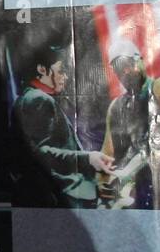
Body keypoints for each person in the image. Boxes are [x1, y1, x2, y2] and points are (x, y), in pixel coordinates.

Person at [10, 40, 112, 208]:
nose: (65, 77)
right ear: (42, 70)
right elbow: (42, 153)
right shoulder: (39, 99)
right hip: (58, 198)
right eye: (61, 71)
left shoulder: (26, 99)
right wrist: (88, 158)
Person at [99, 36, 160, 209]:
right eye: (121, 68)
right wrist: (103, 182)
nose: (127, 71)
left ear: (140, 61)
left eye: (130, 64)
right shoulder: (116, 108)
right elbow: (107, 154)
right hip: (131, 192)